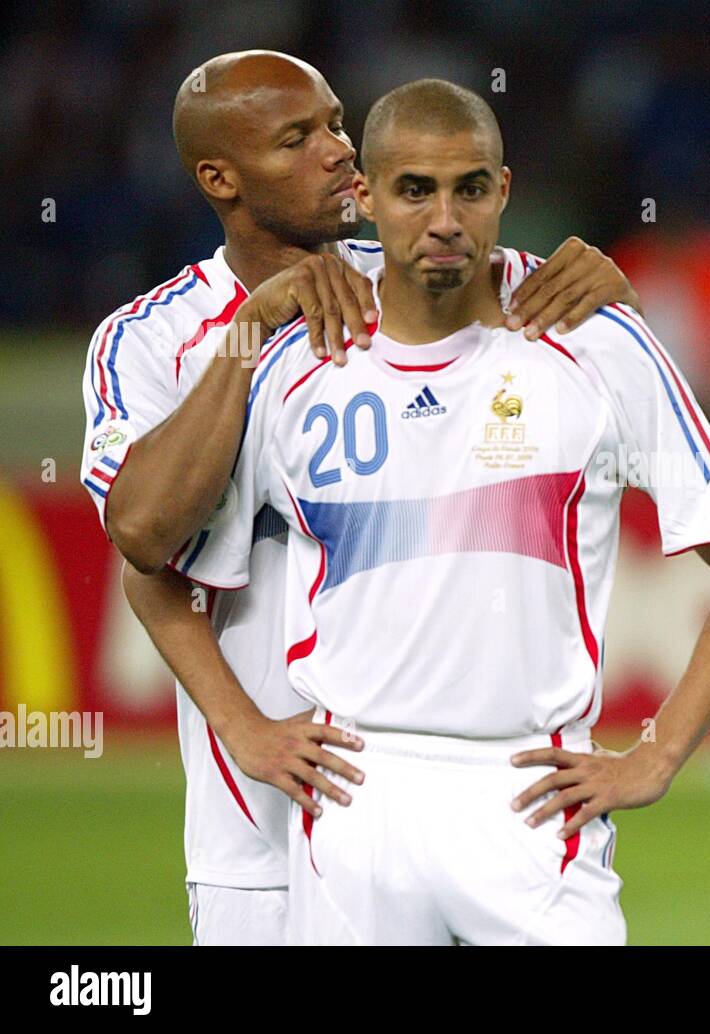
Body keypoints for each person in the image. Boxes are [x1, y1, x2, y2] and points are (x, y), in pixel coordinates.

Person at [170, 77, 710, 945]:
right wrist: (240, 727)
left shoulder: (594, 340)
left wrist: (657, 752)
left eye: (469, 187)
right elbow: (156, 564)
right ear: (368, 197)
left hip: (531, 795)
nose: (444, 218)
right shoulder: (294, 365)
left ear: (503, 192)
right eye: (414, 189)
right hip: (356, 797)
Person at [79, 50, 644, 945]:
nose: (338, 151)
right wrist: (249, 729)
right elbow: (146, 539)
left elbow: (590, 343)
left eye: (337, 123)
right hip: (256, 835)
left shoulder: (435, 274)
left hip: (440, 810)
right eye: (298, 138)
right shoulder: (150, 340)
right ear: (219, 177)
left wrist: (608, 285)